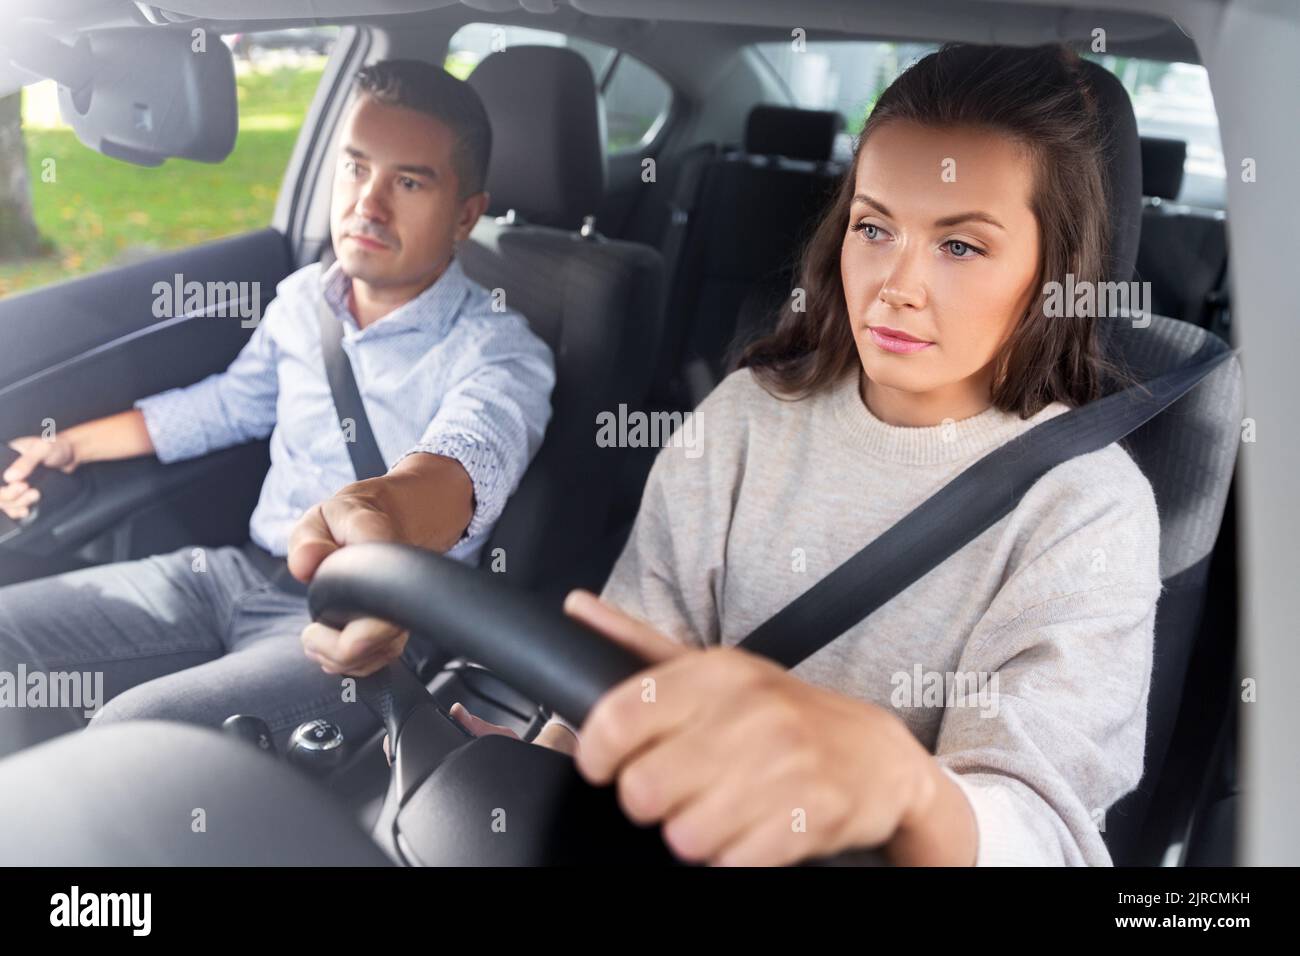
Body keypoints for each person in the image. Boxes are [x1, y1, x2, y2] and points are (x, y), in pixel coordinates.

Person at [310, 43, 1162, 867]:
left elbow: (1045, 835)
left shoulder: (1085, 506)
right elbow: (625, 663)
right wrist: (548, 767)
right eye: (874, 227)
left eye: (961, 245)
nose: (896, 282)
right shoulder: (749, 415)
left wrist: (906, 790)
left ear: (1057, 272)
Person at [0, 60, 555, 757]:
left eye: (408, 182)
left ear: (467, 214)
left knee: (130, 743)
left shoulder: (501, 351)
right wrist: (72, 446)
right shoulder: (301, 301)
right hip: (231, 574)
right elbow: (229, 404)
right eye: (355, 169)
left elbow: (473, 452)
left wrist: (387, 526)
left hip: (364, 621)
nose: (369, 205)